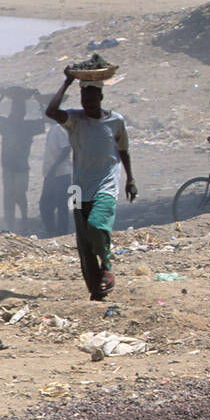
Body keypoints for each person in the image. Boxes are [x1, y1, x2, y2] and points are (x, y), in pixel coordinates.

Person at [45, 75, 136, 300]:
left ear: (101, 97)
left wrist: (130, 179)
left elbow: (123, 150)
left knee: (96, 226)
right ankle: (96, 291)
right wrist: (66, 81)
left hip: (106, 184)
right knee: (84, 244)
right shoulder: (75, 119)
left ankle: (106, 266)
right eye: (85, 98)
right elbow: (51, 111)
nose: (88, 103)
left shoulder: (115, 121)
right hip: (79, 188)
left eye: (92, 98)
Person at [0, 88, 45, 232]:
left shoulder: (21, 125)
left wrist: (40, 102)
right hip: (10, 166)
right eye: (15, 107)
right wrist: (1, 97)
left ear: (23, 111)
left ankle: (23, 220)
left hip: (19, 167)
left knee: (18, 195)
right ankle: (12, 224)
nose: (16, 111)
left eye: (18, 108)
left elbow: (44, 120)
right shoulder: (9, 125)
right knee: (11, 196)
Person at [38, 121, 73, 236]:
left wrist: (54, 167)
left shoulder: (59, 128)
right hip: (52, 173)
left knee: (59, 204)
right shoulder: (53, 128)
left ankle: (60, 233)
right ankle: (53, 232)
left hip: (60, 173)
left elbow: (67, 148)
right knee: (47, 205)